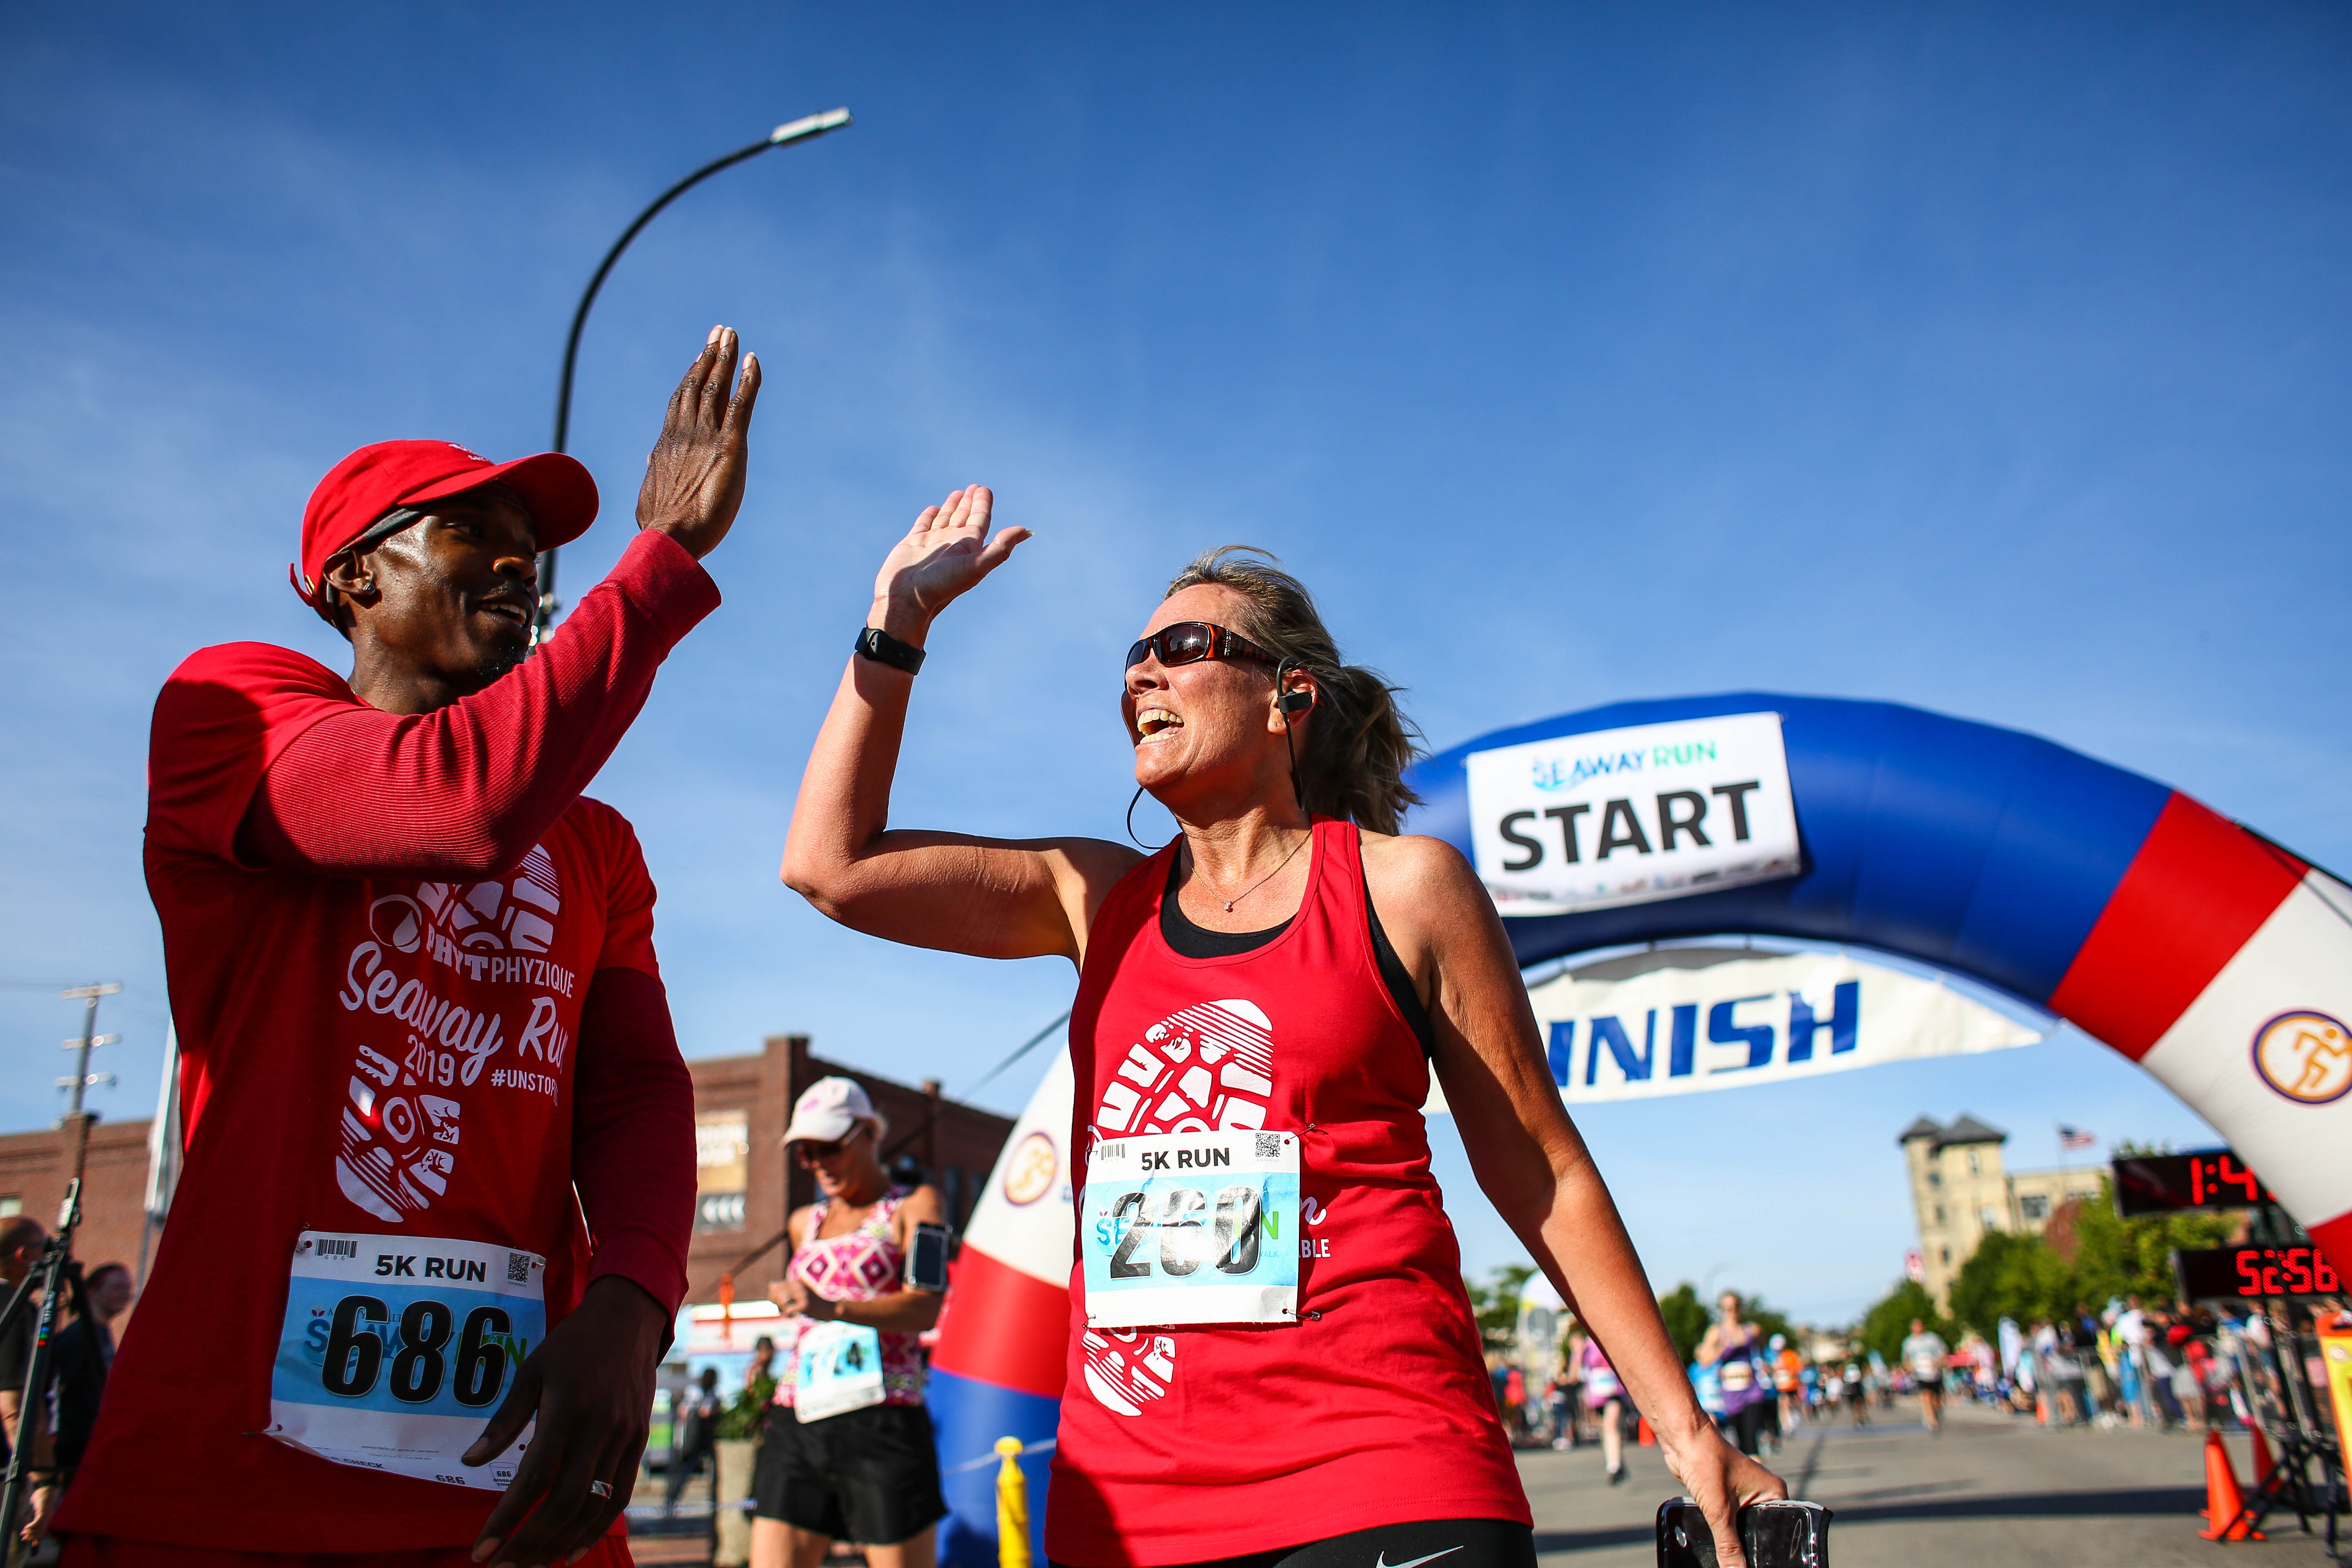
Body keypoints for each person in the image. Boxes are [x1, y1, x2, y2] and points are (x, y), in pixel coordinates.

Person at [780, 500, 1784, 1568]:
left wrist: (1685, 1428)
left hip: (1385, 1466)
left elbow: (1541, 1169)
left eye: (1179, 649)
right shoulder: (1093, 897)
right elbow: (830, 867)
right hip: (1126, 1506)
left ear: (1285, 698)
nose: (1140, 679)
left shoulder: (1408, 890)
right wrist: (897, 626)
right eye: (1132, 661)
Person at [56, 326, 761, 1568]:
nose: (521, 561)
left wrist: (636, 1298)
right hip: (230, 1478)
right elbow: (459, 804)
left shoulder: (597, 843)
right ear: (352, 580)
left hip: (509, 1489)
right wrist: (656, 564)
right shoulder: (231, 713)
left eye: (532, 546)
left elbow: (634, 1087)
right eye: (468, 529)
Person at [750, 1077, 949, 1568]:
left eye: (829, 1148)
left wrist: (829, 1307)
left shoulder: (917, 1205)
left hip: (884, 1413)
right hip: (799, 1414)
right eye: (805, 1153)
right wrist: (790, 1298)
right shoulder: (804, 1223)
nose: (817, 1163)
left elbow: (926, 1307)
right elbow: (808, 1304)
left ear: (868, 1133)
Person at [53, 1262, 134, 1477]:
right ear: (91, 1292)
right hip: (73, 1443)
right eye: (117, 1287)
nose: (126, 1294)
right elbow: (57, 1389)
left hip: (90, 1438)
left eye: (128, 1288)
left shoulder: (101, 1332)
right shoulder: (78, 1337)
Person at [0, 1217, 53, 1537]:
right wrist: (44, 1480)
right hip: (7, 1475)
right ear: (25, 1256)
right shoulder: (15, 1309)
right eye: (45, 1249)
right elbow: (16, 1409)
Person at [1698, 1294, 1774, 1458]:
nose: (1732, 1312)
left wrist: (1764, 1361)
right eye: (1727, 1309)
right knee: (1739, 1442)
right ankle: (1748, 1473)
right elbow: (1704, 1361)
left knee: (1751, 1437)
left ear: (1741, 1309)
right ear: (1721, 1311)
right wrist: (1722, 1346)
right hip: (1730, 1395)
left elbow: (1764, 1346)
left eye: (1735, 1307)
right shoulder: (1716, 1332)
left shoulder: (1751, 1329)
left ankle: (1757, 1466)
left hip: (1752, 1391)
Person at [667, 1368, 723, 1508]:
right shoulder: (696, 1394)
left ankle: (714, 1502)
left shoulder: (711, 1395)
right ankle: (672, 1500)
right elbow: (688, 1411)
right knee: (685, 1471)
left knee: (710, 1472)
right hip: (693, 1439)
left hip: (704, 1438)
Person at [1580, 1334, 1628, 1483]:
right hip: (1598, 1393)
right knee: (1608, 1430)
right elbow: (1578, 1372)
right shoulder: (1586, 1345)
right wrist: (1578, 1352)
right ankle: (1617, 1461)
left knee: (1611, 1424)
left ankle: (1614, 1466)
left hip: (1615, 1390)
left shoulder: (1611, 1336)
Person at [1901, 1318, 1949, 1434]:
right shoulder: (1908, 1342)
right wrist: (1909, 1367)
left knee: (1937, 1399)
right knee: (1925, 1395)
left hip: (1934, 1372)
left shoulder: (1932, 1338)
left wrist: (1938, 1363)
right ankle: (1931, 1420)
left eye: (1920, 1326)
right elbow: (1905, 1358)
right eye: (1916, 1326)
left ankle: (1935, 1412)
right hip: (1920, 1374)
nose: (1918, 1328)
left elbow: (1943, 1351)